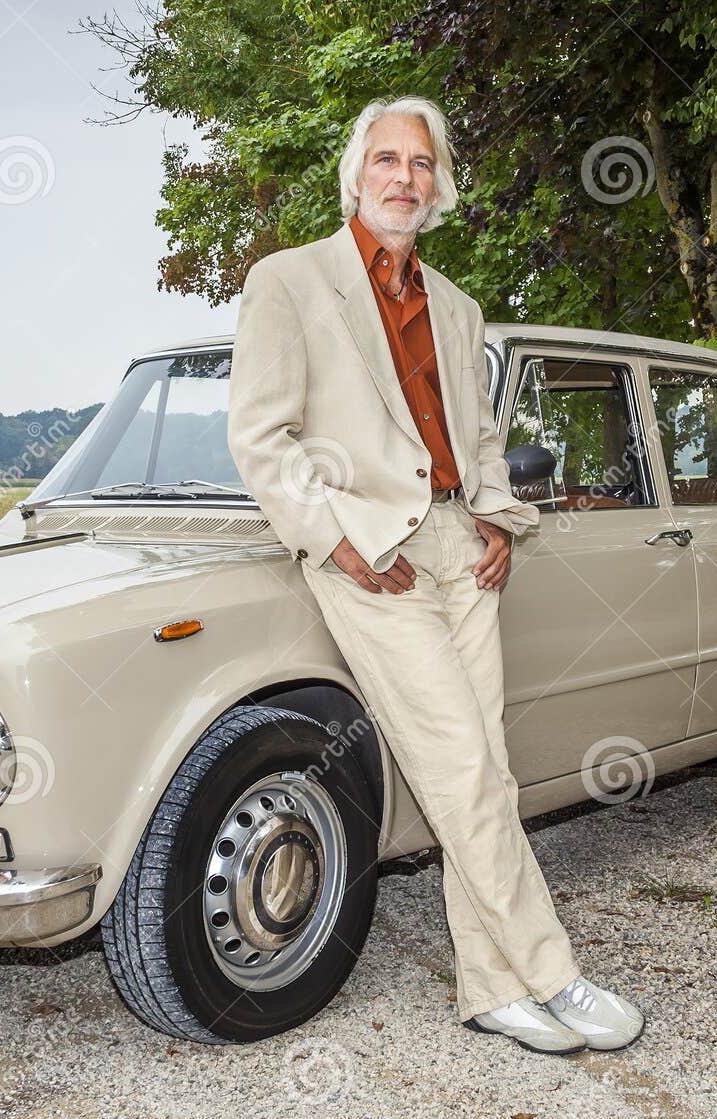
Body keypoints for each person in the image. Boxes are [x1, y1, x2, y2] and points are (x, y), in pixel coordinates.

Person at [226, 94, 644, 1054]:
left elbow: (480, 436)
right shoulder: (291, 282)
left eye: (421, 163)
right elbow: (260, 432)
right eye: (386, 160)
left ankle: (492, 991)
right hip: (374, 560)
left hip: (464, 552)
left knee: (483, 770)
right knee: (461, 767)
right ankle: (555, 973)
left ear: (439, 182)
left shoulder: (455, 305)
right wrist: (331, 539)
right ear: (355, 174)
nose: (403, 178)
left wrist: (499, 518)